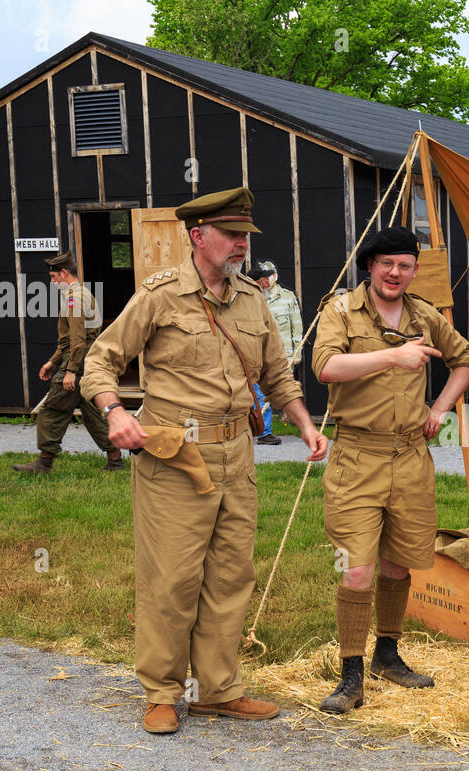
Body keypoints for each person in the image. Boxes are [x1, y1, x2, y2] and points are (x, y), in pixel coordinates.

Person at [81, 187, 329, 735]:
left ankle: (218, 689)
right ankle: (162, 692)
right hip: (175, 456)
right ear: (199, 236)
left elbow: (275, 374)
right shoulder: (160, 295)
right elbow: (101, 360)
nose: (242, 245)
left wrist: (305, 422)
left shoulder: (251, 298)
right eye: (232, 235)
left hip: (236, 454)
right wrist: (115, 412)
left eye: (246, 236)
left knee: (230, 575)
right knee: (172, 578)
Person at [311, 226, 469, 714]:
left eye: (405, 265)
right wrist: (395, 356)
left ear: (413, 270)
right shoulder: (340, 310)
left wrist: (442, 407)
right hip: (357, 456)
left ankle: (388, 653)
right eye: (386, 263)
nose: (395, 273)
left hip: (410, 457)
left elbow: (465, 360)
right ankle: (350, 675)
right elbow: (325, 367)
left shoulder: (424, 314)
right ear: (370, 265)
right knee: (357, 568)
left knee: (399, 563)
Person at [12, 251, 122, 474]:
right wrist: (53, 361)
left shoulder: (75, 297)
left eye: (53, 277)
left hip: (78, 360)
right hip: (84, 358)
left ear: (64, 273)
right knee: (91, 412)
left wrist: (70, 370)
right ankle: (115, 460)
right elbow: (69, 339)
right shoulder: (77, 294)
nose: (52, 282)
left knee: (52, 409)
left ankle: (44, 463)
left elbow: (78, 339)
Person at [248, 260, 305, 446]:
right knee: (259, 394)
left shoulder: (287, 297)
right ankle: (264, 432)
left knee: (279, 392)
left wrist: (298, 351)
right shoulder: (252, 298)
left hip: (283, 355)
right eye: (262, 278)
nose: (265, 281)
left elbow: (296, 325)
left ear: (276, 276)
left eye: (268, 277)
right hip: (257, 355)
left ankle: (273, 426)